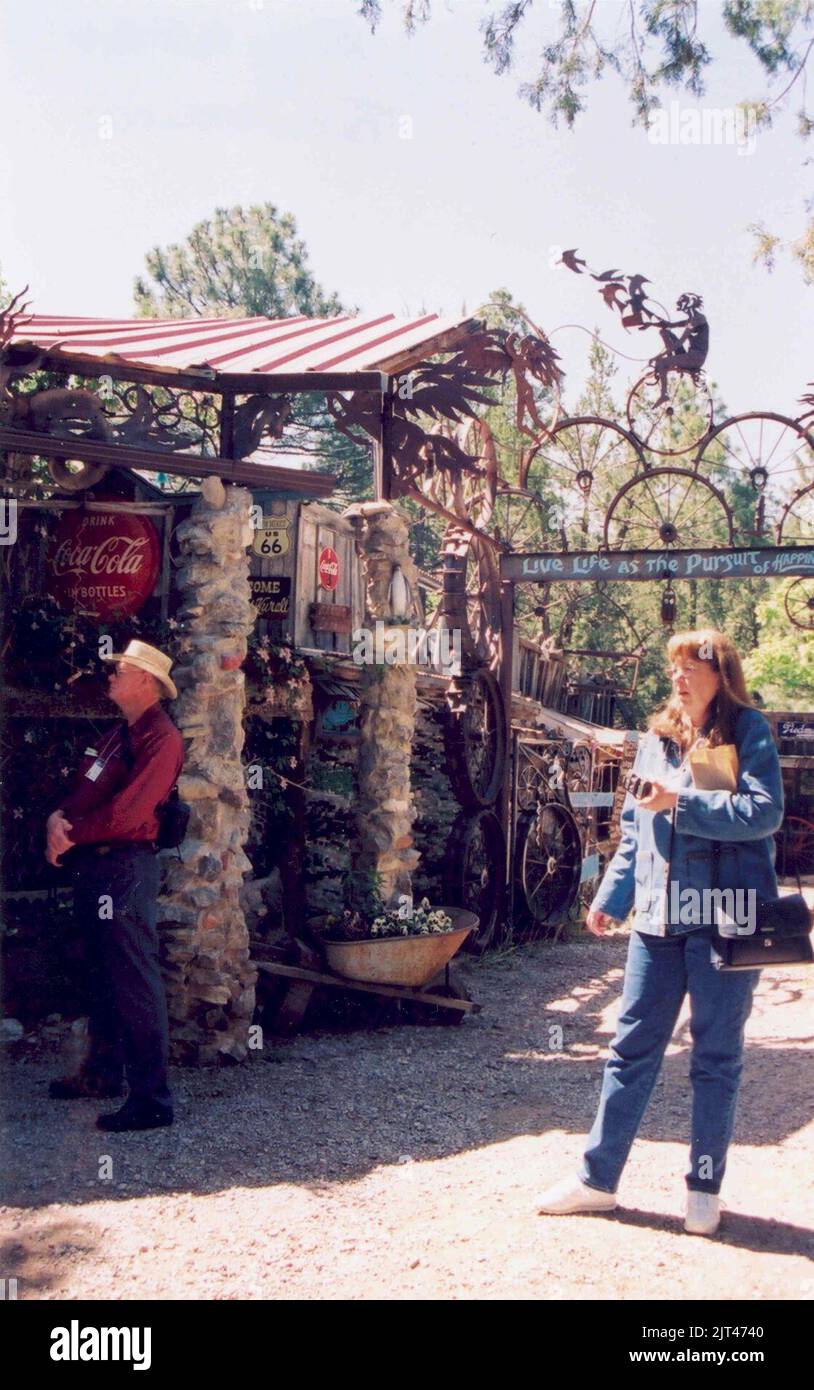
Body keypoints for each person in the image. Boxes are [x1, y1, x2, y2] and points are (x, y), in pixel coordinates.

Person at [537, 628, 784, 1235]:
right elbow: (632, 829)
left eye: (691, 667)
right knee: (629, 1050)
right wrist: (611, 897)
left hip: (728, 919)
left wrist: (683, 803)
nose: (678, 676)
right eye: (673, 666)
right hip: (658, 920)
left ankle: (704, 1187)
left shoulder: (750, 731)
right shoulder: (656, 740)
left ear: (720, 674)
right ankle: (597, 1180)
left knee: (716, 1057)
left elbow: (764, 812)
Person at [45, 639, 184, 1132]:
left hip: (125, 868)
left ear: (145, 680)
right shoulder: (118, 733)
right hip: (100, 866)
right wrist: (58, 819)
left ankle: (151, 1100)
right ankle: (103, 1073)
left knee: (133, 976)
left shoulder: (162, 739)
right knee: (103, 972)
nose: (111, 675)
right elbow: (86, 790)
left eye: (120, 669)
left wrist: (71, 833)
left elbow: (130, 813)